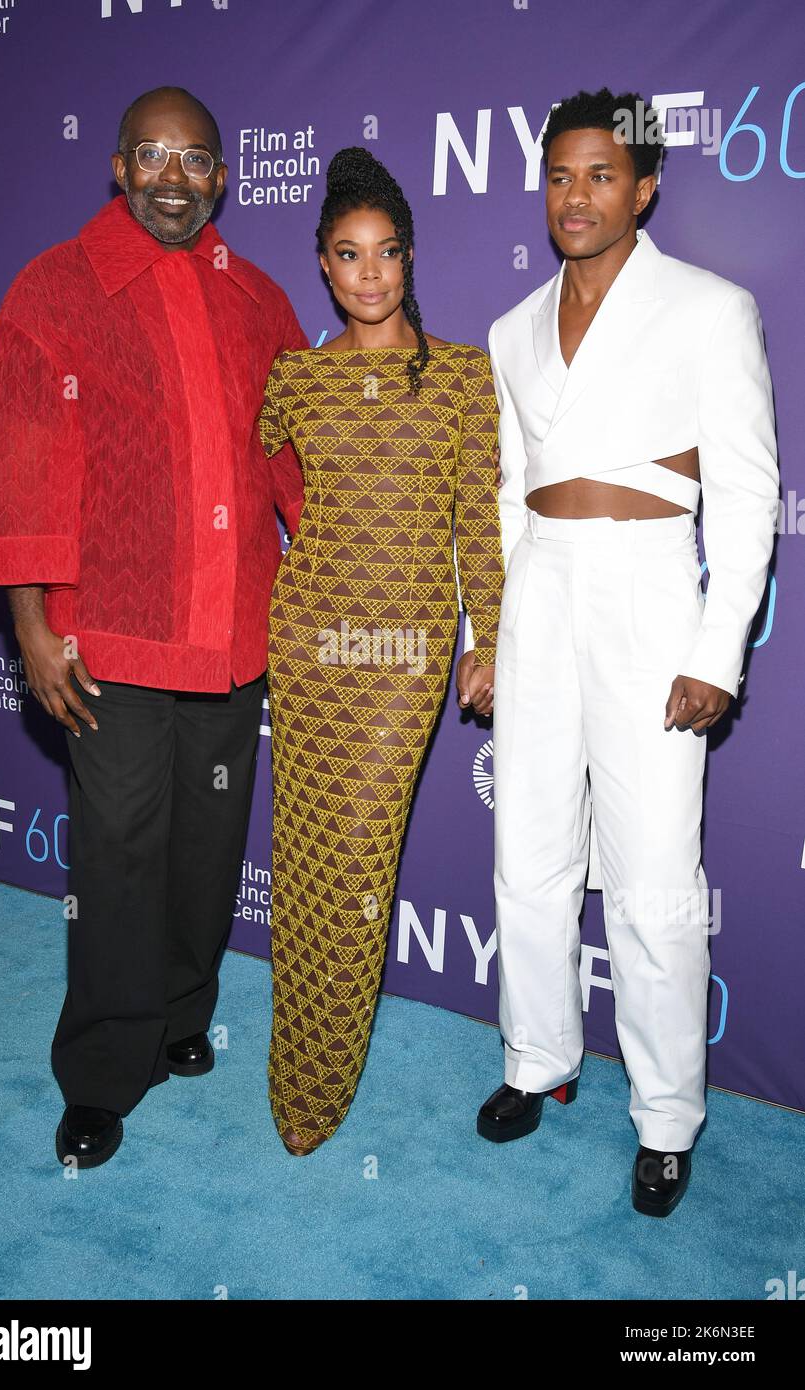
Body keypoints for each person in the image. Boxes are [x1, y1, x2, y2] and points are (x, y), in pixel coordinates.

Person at [0, 86, 308, 1168]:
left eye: (194, 159)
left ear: (222, 177)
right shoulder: (54, 288)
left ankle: (180, 1010)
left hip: (232, 632)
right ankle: (106, 1068)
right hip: (103, 637)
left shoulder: (257, 297)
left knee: (209, 846)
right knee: (117, 849)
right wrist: (31, 626)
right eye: (151, 156)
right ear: (117, 168)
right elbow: (19, 462)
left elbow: (297, 461)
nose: (172, 177)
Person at [478, 89, 778, 1216]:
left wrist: (718, 649)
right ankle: (536, 1059)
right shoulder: (512, 328)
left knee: (653, 879)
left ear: (644, 186)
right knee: (530, 854)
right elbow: (505, 499)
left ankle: (664, 1117)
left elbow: (745, 500)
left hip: (653, 594)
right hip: (541, 593)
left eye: (600, 175)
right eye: (559, 175)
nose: (576, 196)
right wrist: (487, 633)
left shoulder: (709, 308)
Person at [257, 147, 505, 1155]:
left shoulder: (461, 377)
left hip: (403, 658)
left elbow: (479, 527)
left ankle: (318, 1082)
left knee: (359, 848)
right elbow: (254, 493)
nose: (369, 272)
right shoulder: (296, 380)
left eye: (386, 251)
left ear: (408, 257)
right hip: (309, 644)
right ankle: (293, 1058)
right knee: (304, 856)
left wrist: (485, 639)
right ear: (322, 265)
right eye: (349, 255)